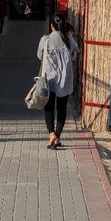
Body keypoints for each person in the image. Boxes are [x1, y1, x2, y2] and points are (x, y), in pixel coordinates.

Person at [37, 14, 73, 149]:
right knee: (62, 109)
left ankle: (51, 134)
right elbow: (74, 55)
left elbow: (39, 55)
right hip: (65, 80)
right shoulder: (69, 40)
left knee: (49, 108)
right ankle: (57, 136)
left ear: (51, 26)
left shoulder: (45, 40)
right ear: (64, 25)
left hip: (49, 80)